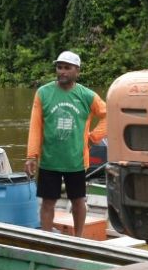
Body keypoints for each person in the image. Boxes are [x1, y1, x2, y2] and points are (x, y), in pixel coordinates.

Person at [25, 51, 107, 237]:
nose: (62, 71)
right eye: (59, 67)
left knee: (78, 200)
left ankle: (78, 239)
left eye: (67, 68)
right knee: (48, 202)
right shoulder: (43, 93)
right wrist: (32, 156)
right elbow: (35, 127)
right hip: (49, 159)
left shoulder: (87, 95)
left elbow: (107, 115)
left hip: (76, 159)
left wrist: (93, 138)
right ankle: (47, 239)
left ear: (77, 71)